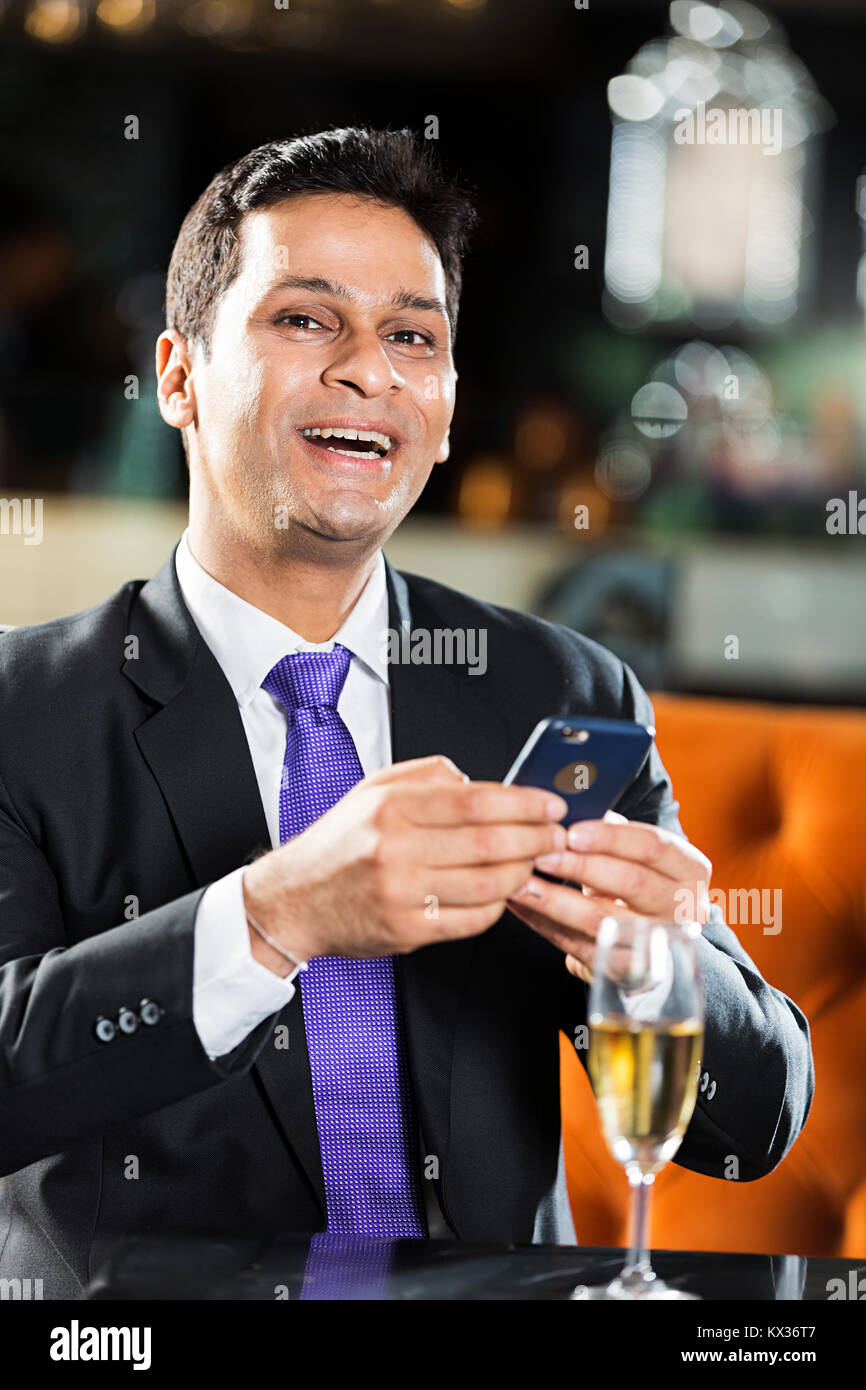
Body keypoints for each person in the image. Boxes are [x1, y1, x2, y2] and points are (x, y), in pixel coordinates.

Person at [0, 129, 813, 1298]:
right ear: (177, 374)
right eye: (304, 319)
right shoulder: (24, 709)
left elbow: (750, 1131)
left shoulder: (563, 692)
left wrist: (652, 969)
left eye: (411, 337)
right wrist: (275, 915)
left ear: (440, 408)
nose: (366, 371)